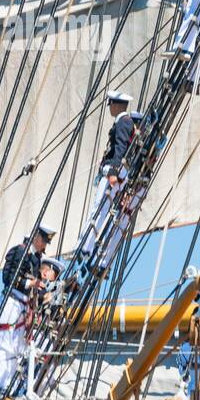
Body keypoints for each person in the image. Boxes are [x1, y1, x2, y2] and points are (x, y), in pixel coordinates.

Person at [77, 91, 137, 268]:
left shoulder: (124, 122)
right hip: (116, 172)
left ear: (116, 104)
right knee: (101, 210)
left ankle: (85, 247)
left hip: (112, 172)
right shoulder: (125, 122)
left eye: (111, 104)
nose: (110, 107)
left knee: (99, 209)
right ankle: (87, 246)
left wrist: (113, 171)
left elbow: (120, 149)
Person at [0, 223, 55, 397]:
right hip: (12, 302)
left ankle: (11, 389)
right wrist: (30, 283)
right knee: (6, 344)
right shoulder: (20, 252)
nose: (44, 246)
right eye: (44, 241)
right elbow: (8, 277)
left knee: (19, 347)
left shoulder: (35, 259)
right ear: (36, 237)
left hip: (23, 305)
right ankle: (3, 386)